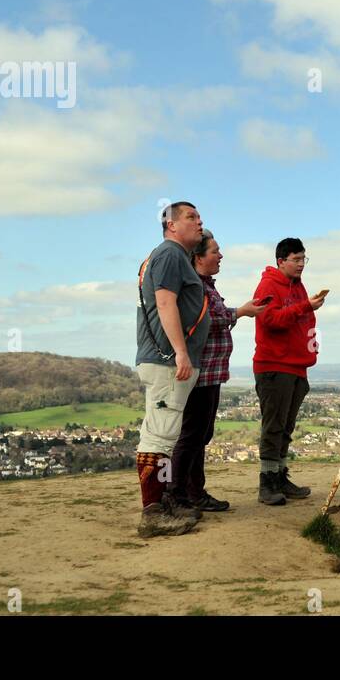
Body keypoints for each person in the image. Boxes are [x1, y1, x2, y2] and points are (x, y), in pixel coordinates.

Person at [167, 230, 269, 513]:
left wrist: (239, 311)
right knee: (192, 435)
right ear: (198, 257)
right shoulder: (194, 286)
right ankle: (179, 495)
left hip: (211, 372)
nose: (221, 255)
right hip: (200, 373)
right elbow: (202, 319)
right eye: (215, 251)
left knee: (200, 434)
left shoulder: (204, 285)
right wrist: (240, 312)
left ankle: (193, 492)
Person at [134, 201, 212, 537]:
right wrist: (180, 352)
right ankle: (153, 513)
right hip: (167, 361)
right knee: (160, 437)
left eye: (198, 217)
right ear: (171, 225)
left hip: (168, 360)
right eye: (191, 217)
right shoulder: (168, 254)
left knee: (163, 434)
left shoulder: (174, 256)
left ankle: (162, 504)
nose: (199, 222)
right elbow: (165, 302)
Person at [252, 237, 326, 506]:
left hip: (296, 366)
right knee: (274, 426)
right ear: (280, 261)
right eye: (296, 259)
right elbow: (269, 320)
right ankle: (267, 483)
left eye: (303, 259)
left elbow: (299, 320)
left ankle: (280, 476)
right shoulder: (269, 284)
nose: (301, 264)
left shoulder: (298, 286)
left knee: (286, 426)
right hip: (274, 366)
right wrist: (306, 306)